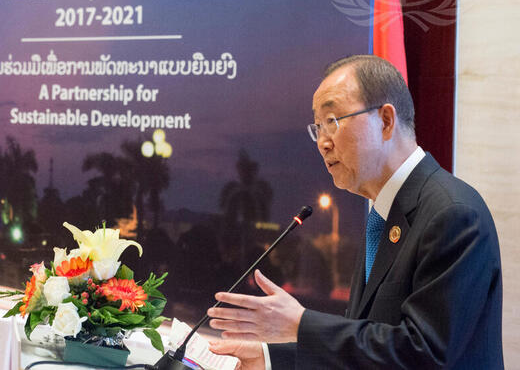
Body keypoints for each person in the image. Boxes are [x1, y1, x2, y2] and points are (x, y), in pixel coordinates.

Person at [207, 55, 503, 369]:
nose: (322, 142)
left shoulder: (452, 214)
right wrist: (268, 358)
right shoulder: (384, 216)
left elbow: (423, 354)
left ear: (386, 121)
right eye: (317, 127)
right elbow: (369, 346)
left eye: (332, 121)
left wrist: (300, 324)